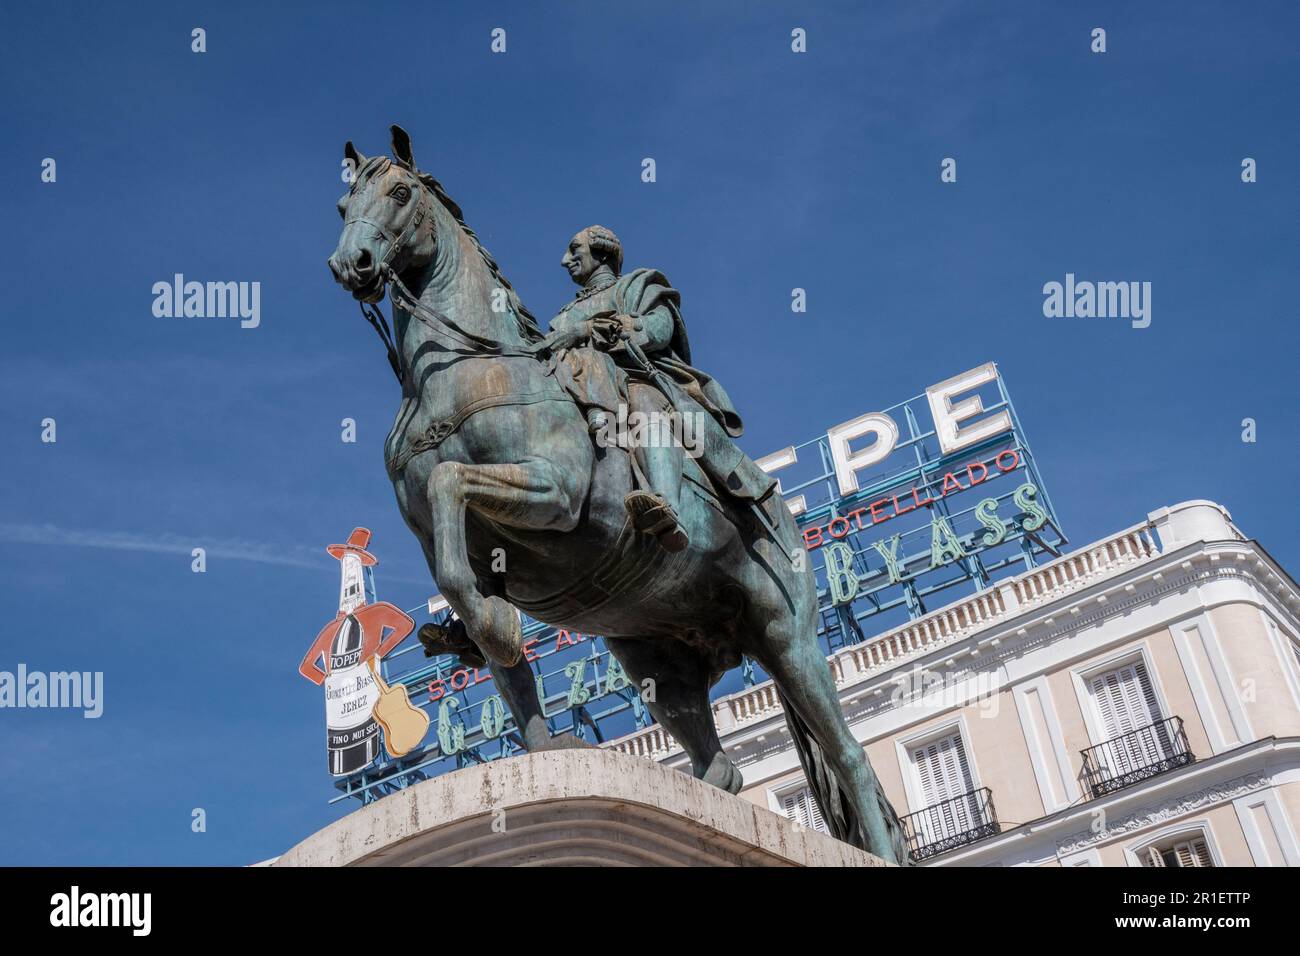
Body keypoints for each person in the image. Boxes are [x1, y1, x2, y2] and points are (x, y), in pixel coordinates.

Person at [532, 225, 773, 552]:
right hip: (578, 389)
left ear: (602, 252)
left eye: (575, 250)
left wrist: (589, 330)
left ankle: (666, 507)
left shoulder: (640, 286)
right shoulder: (562, 318)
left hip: (638, 379)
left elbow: (657, 332)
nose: (565, 260)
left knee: (643, 399)